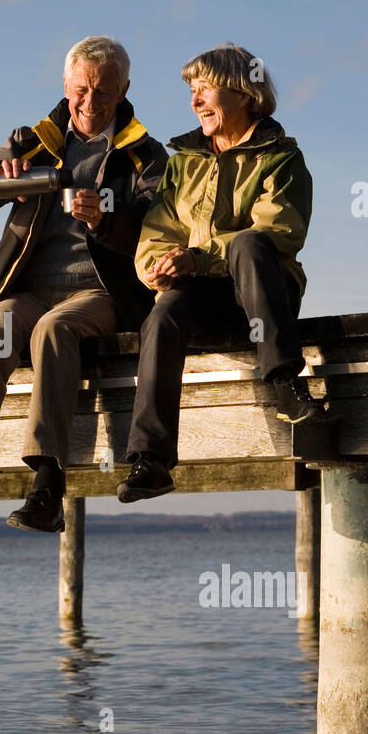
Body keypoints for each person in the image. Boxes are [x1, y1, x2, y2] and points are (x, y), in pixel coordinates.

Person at [0, 36, 167, 543]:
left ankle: (47, 485)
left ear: (124, 89)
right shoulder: (34, 140)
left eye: (103, 92)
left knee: (54, 331)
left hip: (101, 292)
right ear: (65, 84)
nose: (89, 101)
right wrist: (1, 179)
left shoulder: (146, 155)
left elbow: (162, 229)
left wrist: (106, 221)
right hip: (29, 290)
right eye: (81, 89)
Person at [118, 42, 323, 503]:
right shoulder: (182, 163)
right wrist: (160, 267)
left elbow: (280, 230)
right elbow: (156, 232)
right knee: (165, 311)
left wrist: (198, 256)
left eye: (206, 88)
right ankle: (150, 461)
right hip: (204, 299)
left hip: (266, 295)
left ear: (244, 92)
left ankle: (285, 384)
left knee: (251, 242)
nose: (195, 100)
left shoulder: (283, 158)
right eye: (192, 89)